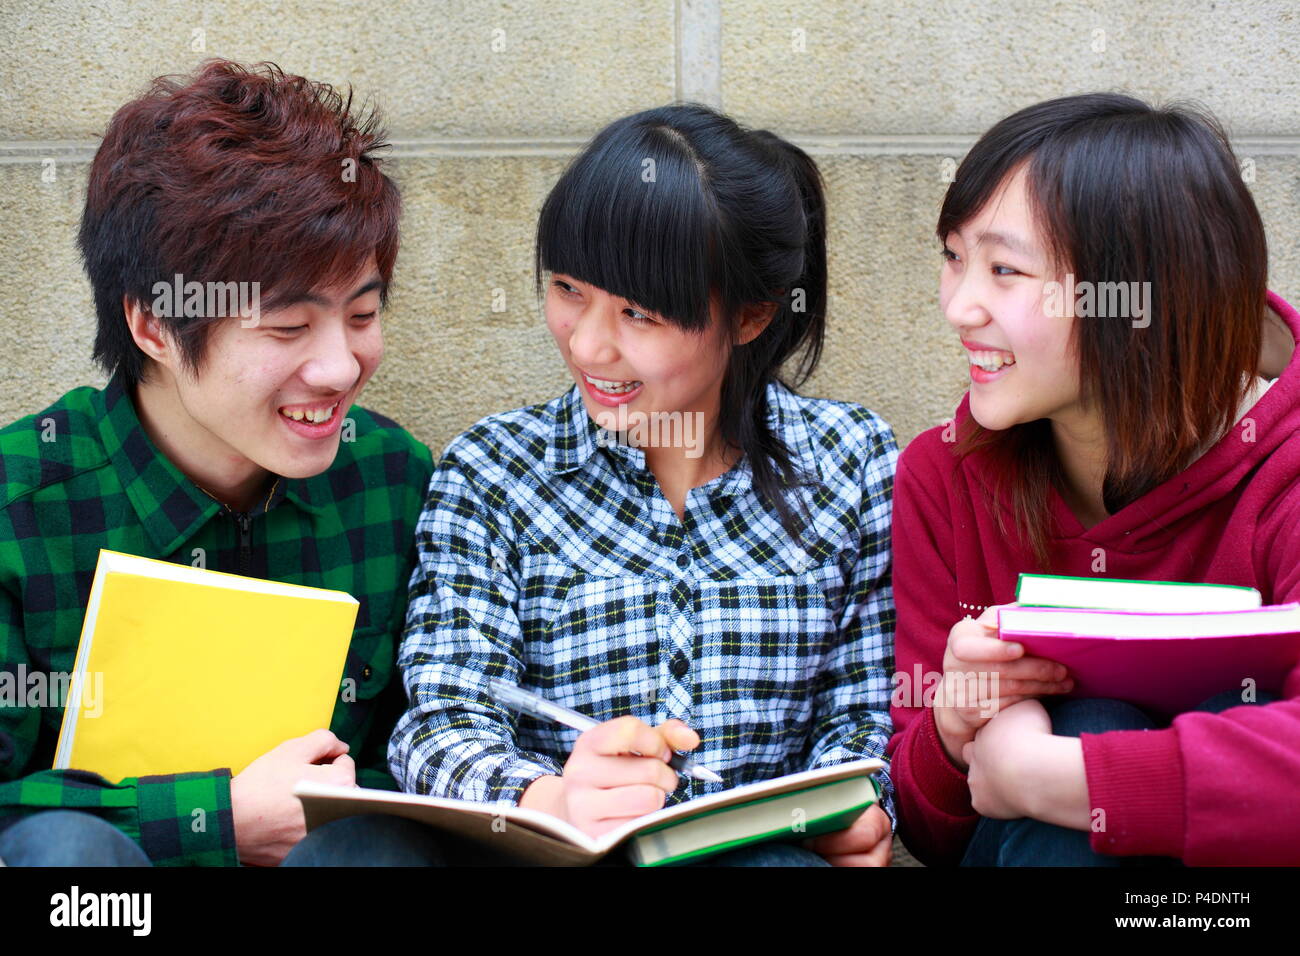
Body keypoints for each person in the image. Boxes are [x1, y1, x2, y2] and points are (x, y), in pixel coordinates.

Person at [374, 103, 897, 867]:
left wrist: (851, 807)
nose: (588, 344)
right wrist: (553, 799)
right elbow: (438, 722)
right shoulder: (494, 471)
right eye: (567, 289)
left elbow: (866, 712)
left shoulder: (850, 462)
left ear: (750, 316)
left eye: (638, 314)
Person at [0, 59, 432, 866]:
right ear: (156, 327)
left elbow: (426, 755)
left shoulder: (394, 480)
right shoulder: (21, 502)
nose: (341, 368)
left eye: (363, 314)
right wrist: (212, 816)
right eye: (287, 328)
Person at [888, 92, 1300, 866]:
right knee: (1091, 717)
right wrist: (954, 723)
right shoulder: (943, 475)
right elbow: (926, 826)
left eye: (1004, 269)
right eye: (953, 257)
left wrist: (1060, 779)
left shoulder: (1287, 464)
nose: (958, 305)